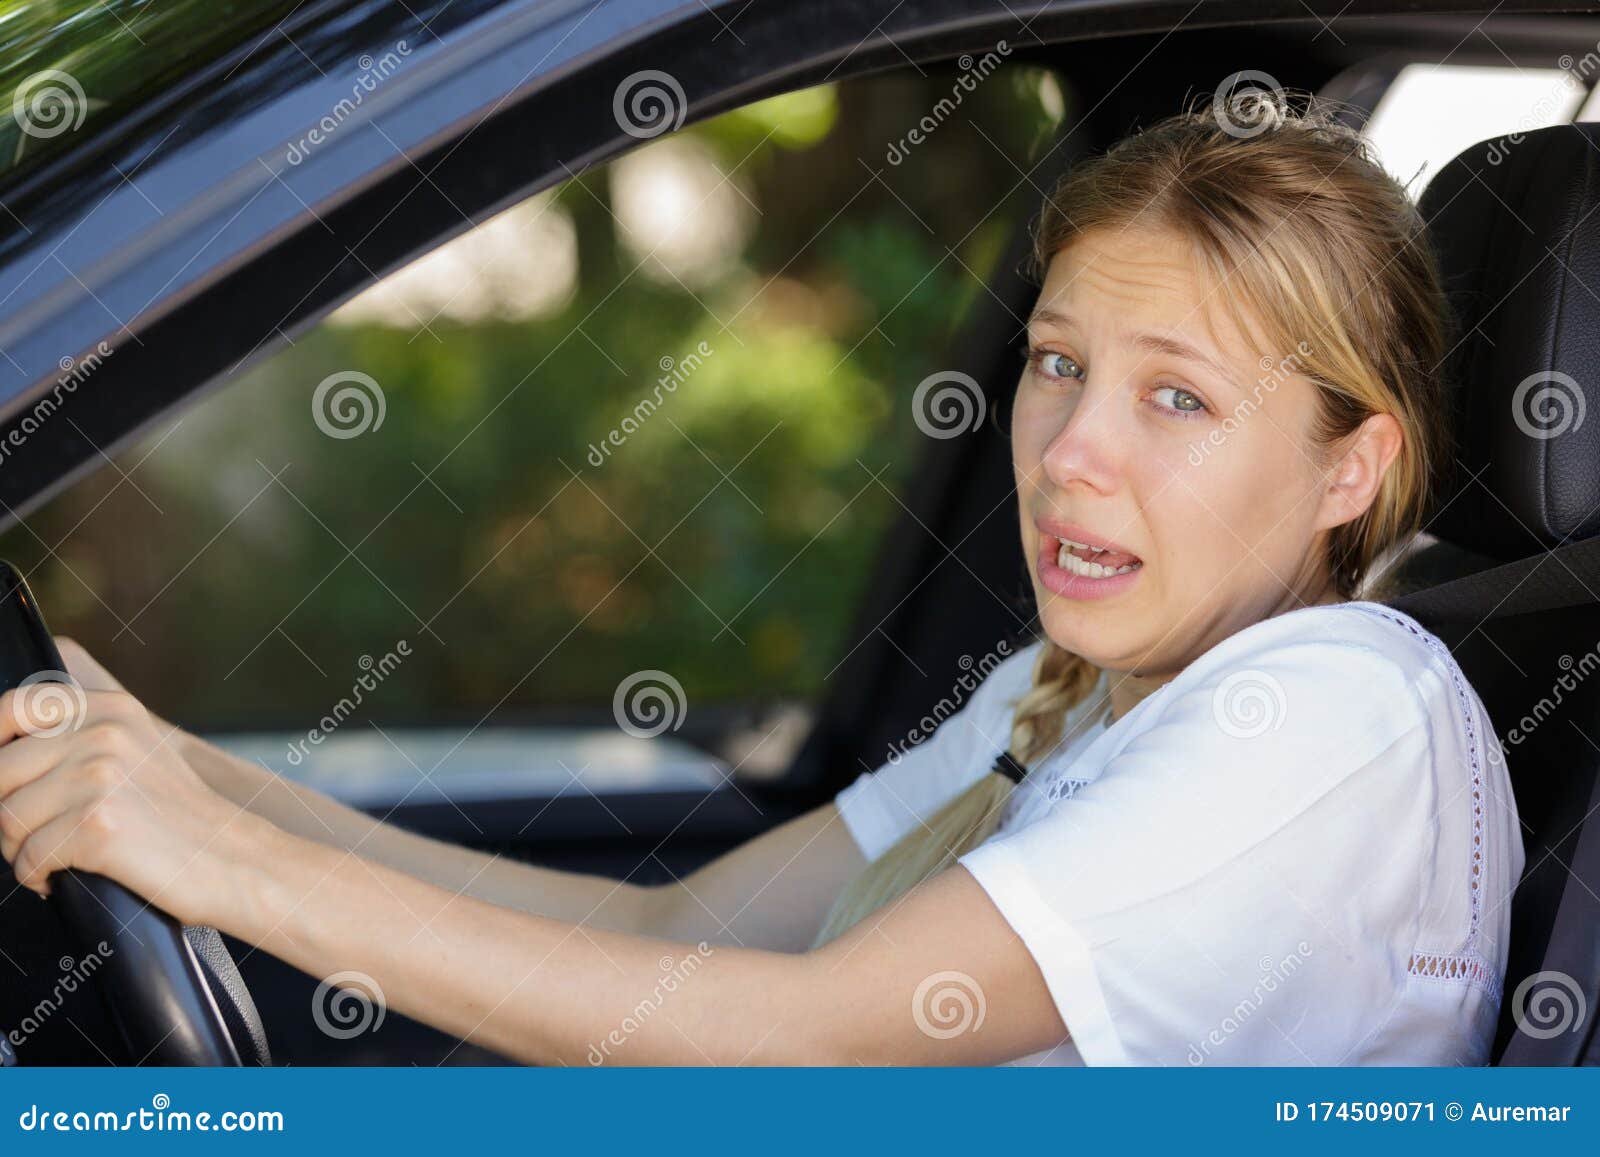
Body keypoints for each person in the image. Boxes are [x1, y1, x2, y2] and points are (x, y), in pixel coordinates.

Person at [0, 91, 1522, 1066]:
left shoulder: (1335, 717)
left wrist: (236, 869)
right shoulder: (1079, 688)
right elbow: (677, 944)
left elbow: (804, 1042)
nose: (1069, 453)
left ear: (1351, 465)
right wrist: (192, 781)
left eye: (1176, 397)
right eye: (1058, 365)